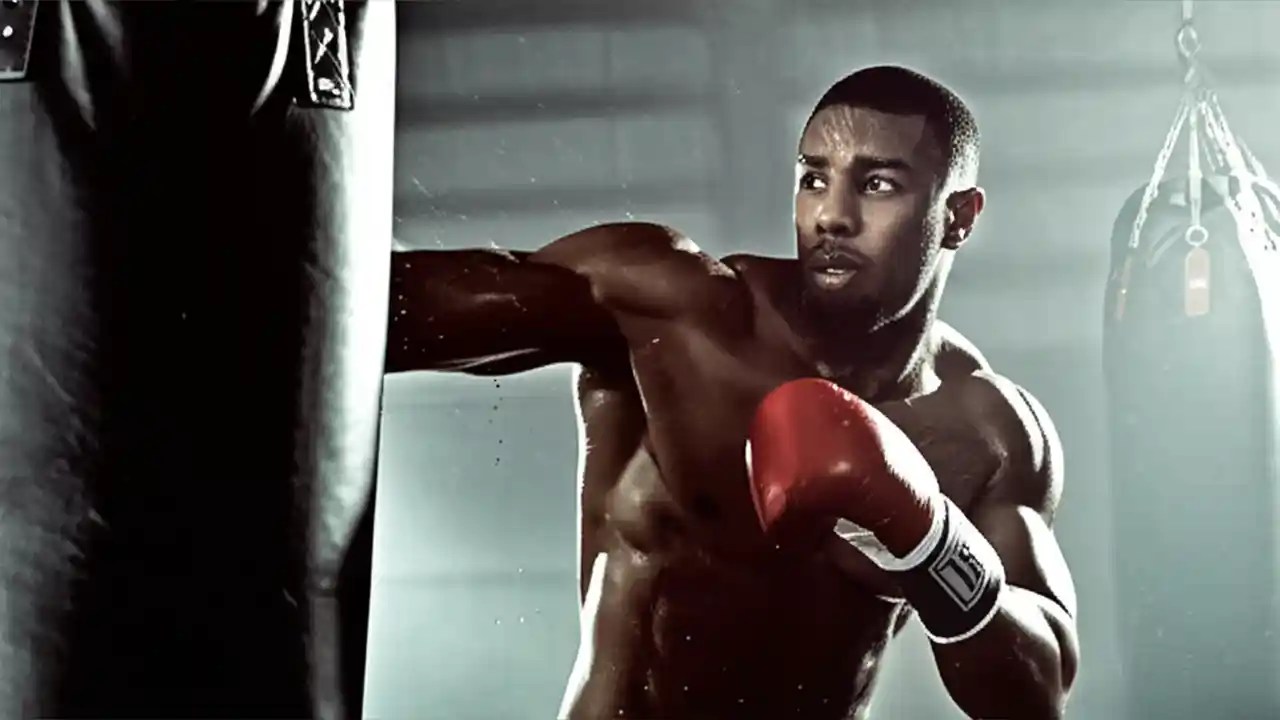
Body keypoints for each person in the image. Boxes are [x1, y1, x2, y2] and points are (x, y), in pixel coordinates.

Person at [386, 65, 1080, 719]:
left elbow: (1037, 692)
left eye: (877, 185)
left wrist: (927, 537)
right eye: (813, 178)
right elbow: (374, 306)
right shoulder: (677, 314)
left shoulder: (990, 433)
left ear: (957, 216)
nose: (831, 215)